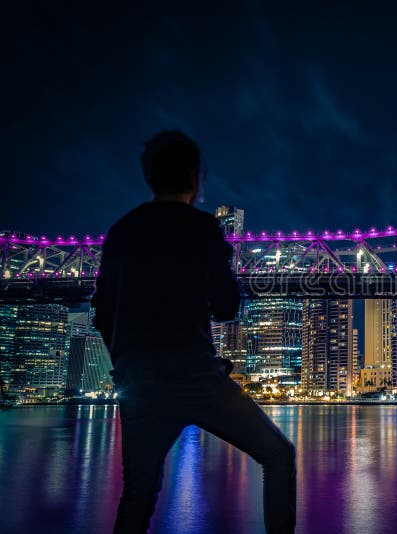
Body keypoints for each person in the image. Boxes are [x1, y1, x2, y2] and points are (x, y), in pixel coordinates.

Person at [92, 131, 296, 533]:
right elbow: (226, 307)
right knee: (277, 455)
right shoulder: (202, 228)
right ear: (192, 177)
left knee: (138, 494)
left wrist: (127, 365)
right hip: (197, 379)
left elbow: (101, 312)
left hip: (141, 383)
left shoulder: (121, 231)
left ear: (150, 176)